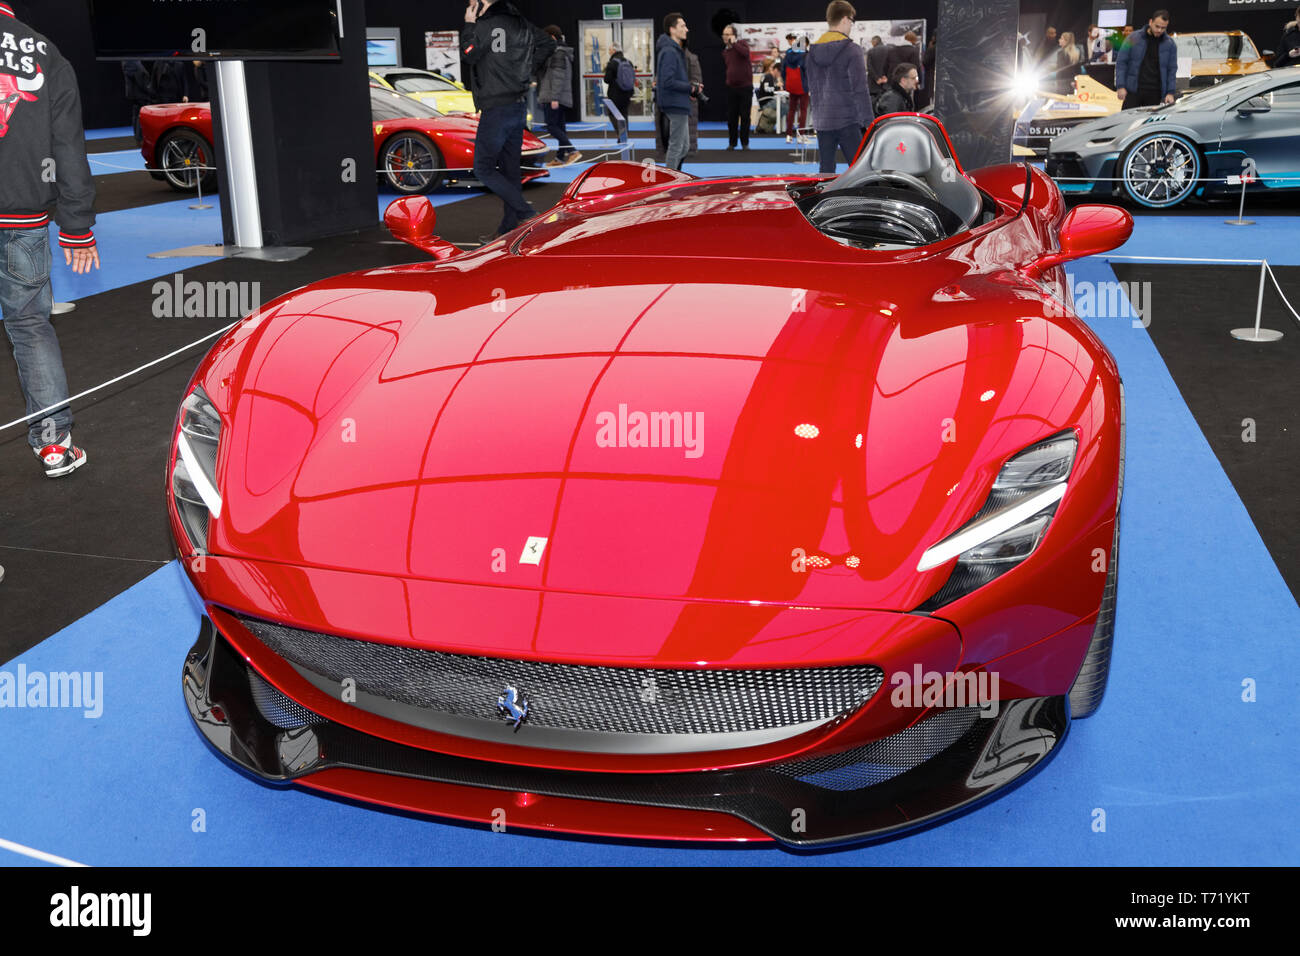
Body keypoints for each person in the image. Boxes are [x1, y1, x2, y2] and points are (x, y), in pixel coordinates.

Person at [0, 0, 99, 479]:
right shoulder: (44, 50)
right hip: (22, 219)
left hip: (21, 217)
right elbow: (67, 145)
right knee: (29, 327)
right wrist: (77, 226)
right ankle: (55, 444)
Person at [460, 0, 555, 239]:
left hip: (496, 108)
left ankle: (527, 212)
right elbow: (547, 44)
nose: (471, 6)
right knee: (510, 172)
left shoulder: (484, 24)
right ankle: (508, 231)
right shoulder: (521, 23)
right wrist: (524, 70)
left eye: (473, 3)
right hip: (518, 106)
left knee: (482, 169)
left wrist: (469, 25)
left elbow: (469, 53)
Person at [804, 1, 874, 175]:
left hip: (822, 120)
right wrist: (870, 123)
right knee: (860, 170)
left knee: (826, 170)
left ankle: (826, 202)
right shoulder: (852, 50)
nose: (851, 25)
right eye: (851, 21)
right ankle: (862, 202)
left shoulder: (811, 52)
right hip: (848, 119)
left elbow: (811, 86)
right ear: (844, 19)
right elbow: (860, 89)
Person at [656, 13, 696, 171]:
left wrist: (689, 88)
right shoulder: (669, 51)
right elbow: (667, 81)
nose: (686, 29)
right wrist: (689, 87)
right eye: (682, 26)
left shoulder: (673, 50)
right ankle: (670, 184)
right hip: (674, 104)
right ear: (672, 30)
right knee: (676, 147)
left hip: (679, 103)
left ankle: (675, 178)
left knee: (683, 147)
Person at [538, 25, 582, 166]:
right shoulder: (561, 52)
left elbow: (557, 77)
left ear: (552, 37)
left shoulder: (557, 53)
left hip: (554, 96)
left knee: (551, 126)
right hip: (559, 96)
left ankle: (572, 151)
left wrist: (554, 97)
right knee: (560, 128)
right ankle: (560, 158)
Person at [1115, 10, 1176, 109]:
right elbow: (1121, 63)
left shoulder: (1170, 44)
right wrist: (1120, 86)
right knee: (1127, 122)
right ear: (1150, 22)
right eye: (1157, 26)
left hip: (1155, 94)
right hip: (1133, 91)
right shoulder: (1133, 37)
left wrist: (1170, 92)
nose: (1159, 30)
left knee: (1149, 124)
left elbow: (1171, 70)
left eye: (1163, 28)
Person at [721, 24, 752, 150]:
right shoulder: (725, 51)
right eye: (724, 34)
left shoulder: (742, 44)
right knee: (731, 117)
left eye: (728, 34)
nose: (725, 37)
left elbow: (745, 54)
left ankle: (745, 143)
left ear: (734, 35)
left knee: (745, 116)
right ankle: (732, 143)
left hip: (745, 87)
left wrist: (734, 43)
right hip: (731, 88)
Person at [603, 43, 635, 139]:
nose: (609, 52)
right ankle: (625, 135)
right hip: (627, 93)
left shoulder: (612, 63)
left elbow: (606, 79)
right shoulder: (629, 62)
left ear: (614, 51)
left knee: (612, 113)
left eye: (610, 50)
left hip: (615, 94)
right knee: (624, 114)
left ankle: (620, 134)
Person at [782, 34, 809, 143]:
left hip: (791, 86)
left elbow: (783, 71)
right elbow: (808, 71)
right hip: (803, 86)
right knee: (803, 111)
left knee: (791, 110)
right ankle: (800, 135)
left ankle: (789, 135)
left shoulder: (788, 54)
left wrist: (786, 82)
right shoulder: (805, 55)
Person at [121, 60, 152, 144]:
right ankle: (140, 138)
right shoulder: (134, 63)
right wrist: (149, 91)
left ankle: (137, 136)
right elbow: (141, 80)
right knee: (140, 116)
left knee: (135, 116)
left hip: (132, 93)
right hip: (140, 94)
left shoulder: (125, 62)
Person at [755, 57, 782, 133]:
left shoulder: (771, 77)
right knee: (784, 106)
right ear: (768, 67)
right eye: (772, 66)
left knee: (784, 104)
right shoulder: (767, 76)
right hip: (766, 101)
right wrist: (777, 87)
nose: (773, 68)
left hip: (769, 99)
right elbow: (767, 89)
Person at [1054, 31, 1084, 95]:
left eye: (1061, 38)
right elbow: (1078, 71)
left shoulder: (1061, 53)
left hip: (1063, 85)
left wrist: (1057, 84)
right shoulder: (1077, 53)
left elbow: (1060, 71)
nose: (1059, 40)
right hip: (1073, 84)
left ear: (1066, 41)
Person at [866, 35, 890, 101]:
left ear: (874, 41)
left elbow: (869, 67)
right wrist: (885, 77)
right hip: (886, 84)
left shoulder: (871, 51)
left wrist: (877, 79)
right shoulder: (889, 50)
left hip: (873, 84)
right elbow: (890, 66)